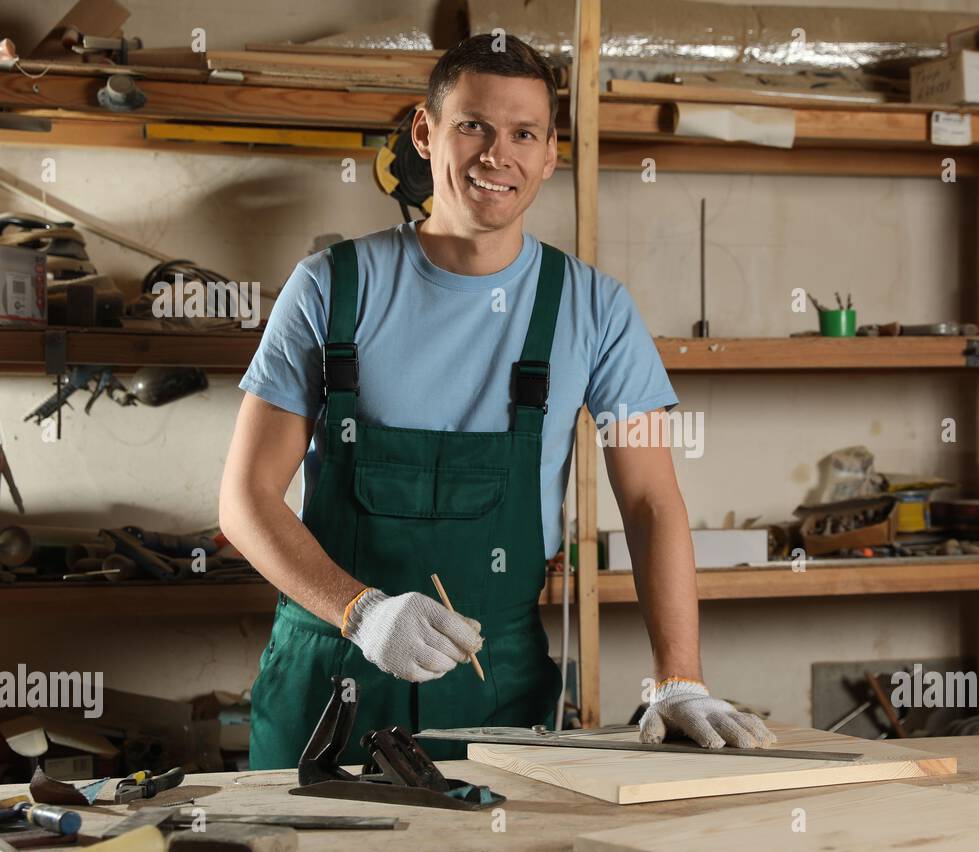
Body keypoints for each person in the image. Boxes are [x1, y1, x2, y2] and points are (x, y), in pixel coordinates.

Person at [219, 33, 777, 769]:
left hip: (495, 683)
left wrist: (679, 678)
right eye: (473, 125)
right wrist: (361, 613)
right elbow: (245, 499)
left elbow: (650, 504)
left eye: (523, 133)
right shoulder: (330, 286)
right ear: (425, 133)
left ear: (549, 155)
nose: (496, 155)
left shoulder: (594, 308)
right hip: (331, 672)